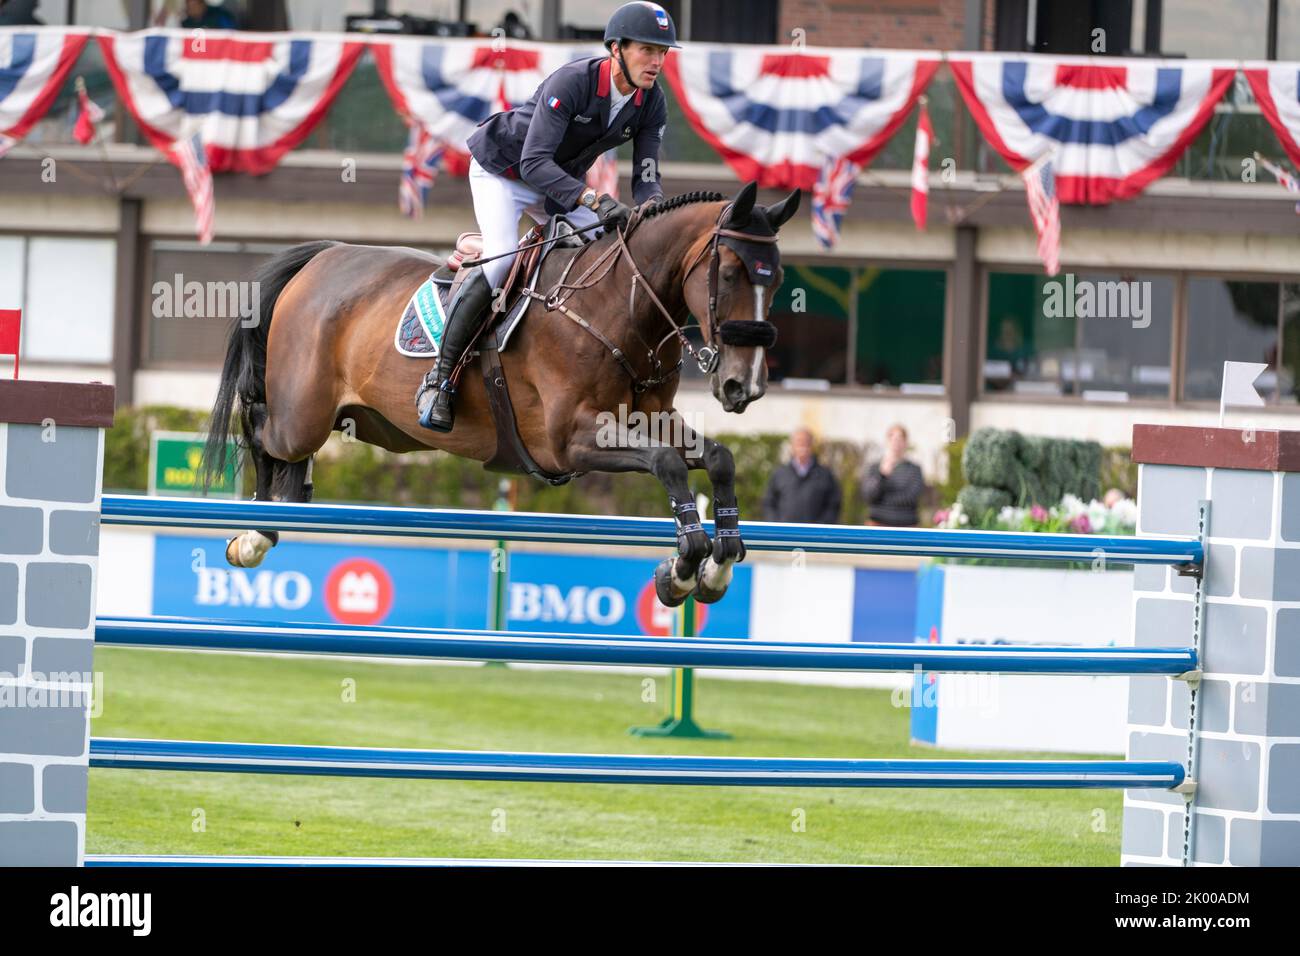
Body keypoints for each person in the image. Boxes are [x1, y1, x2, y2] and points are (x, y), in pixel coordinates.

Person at [414, 1, 675, 432]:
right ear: (617, 49)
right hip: (506, 170)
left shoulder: (652, 103)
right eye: (647, 50)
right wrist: (592, 200)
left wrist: (654, 213)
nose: (657, 61)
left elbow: (646, 178)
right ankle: (440, 379)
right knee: (500, 261)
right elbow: (535, 162)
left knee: (601, 253)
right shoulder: (573, 82)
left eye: (663, 53)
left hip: (557, 185)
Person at [762, 428, 842, 525]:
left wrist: (822, 525)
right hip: (784, 535)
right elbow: (769, 502)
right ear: (792, 445)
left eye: (806, 442)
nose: (803, 446)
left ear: (812, 445)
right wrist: (776, 525)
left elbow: (833, 504)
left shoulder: (825, 474)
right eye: (799, 442)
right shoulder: (780, 474)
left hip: (814, 536)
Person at [860, 424, 925, 527]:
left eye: (900, 440)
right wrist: (882, 475)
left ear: (905, 443)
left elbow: (911, 498)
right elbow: (869, 495)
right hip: (878, 524)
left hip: (907, 524)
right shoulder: (874, 467)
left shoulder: (914, 469)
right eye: (893, 439)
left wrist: (882, 500)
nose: (896, 444)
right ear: (887, 442)